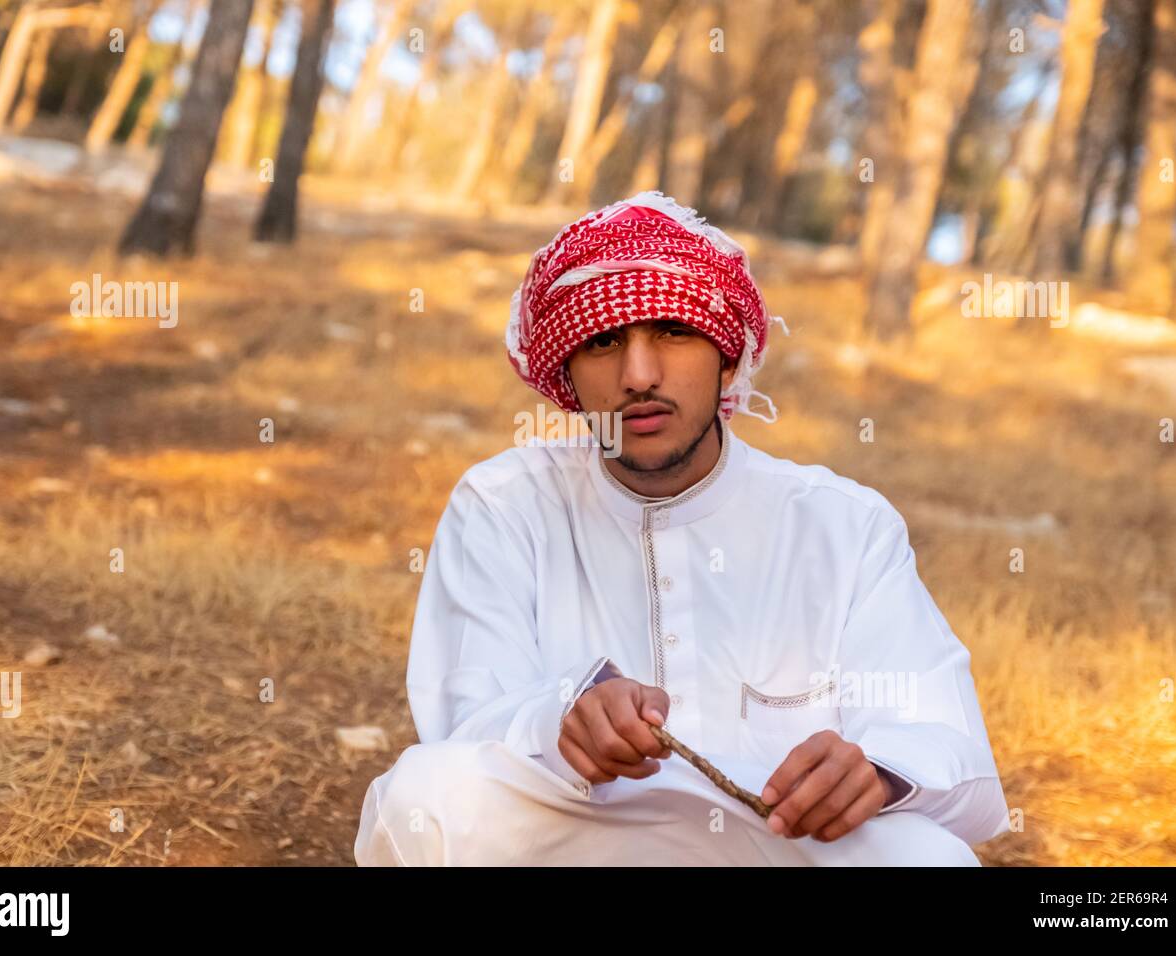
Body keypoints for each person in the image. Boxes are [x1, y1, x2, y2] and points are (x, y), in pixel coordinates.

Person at [354, 191, 1009, 866]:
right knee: (425, 796)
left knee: (928, 859)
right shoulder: (504, 504)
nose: (638, 376)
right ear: (568, 378)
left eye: (672, 331)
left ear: (727, 358)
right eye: (604, 341)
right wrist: (562, 718)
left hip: (776, 849)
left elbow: (955, 759)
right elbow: (466, 721)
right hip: (583, 838)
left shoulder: (842, 525)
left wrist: (875, 773)